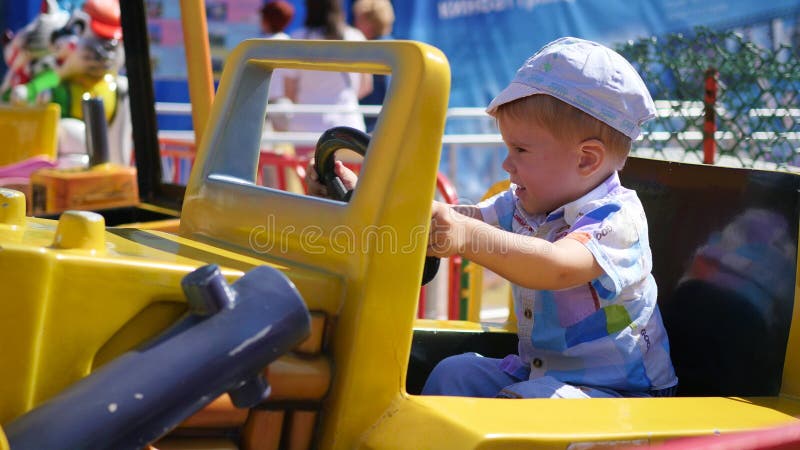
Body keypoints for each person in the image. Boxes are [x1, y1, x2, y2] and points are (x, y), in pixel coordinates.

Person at [307, 37, 678, 399]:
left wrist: (467, 236)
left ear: (586, 159)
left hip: (621, 390)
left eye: (520, 150)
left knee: (522, 409)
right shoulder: (525, 203)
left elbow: (558, 266)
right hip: (544, 372)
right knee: (455, 373)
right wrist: (368, 196)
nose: (506, 163)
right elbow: (455, 219)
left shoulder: (616, 219)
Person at [282, 0, 373, 150]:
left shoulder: (297, 38)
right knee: (345, 173)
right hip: (347, 125)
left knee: (308, 173)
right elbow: (366, 86)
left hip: (304, 127)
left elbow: (289, 91)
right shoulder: (354, 37)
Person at [352, 0, 395, 132]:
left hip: (372, 126)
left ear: (370, 23)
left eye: (358, 19)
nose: (355, 24)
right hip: (392, 124)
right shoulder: (397, 48)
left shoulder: (367, 51)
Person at [258, 0, 295, 131]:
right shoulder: (290, 43)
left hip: (262, 104)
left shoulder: (257, 45)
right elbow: (291, 80)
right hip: (282, 105)